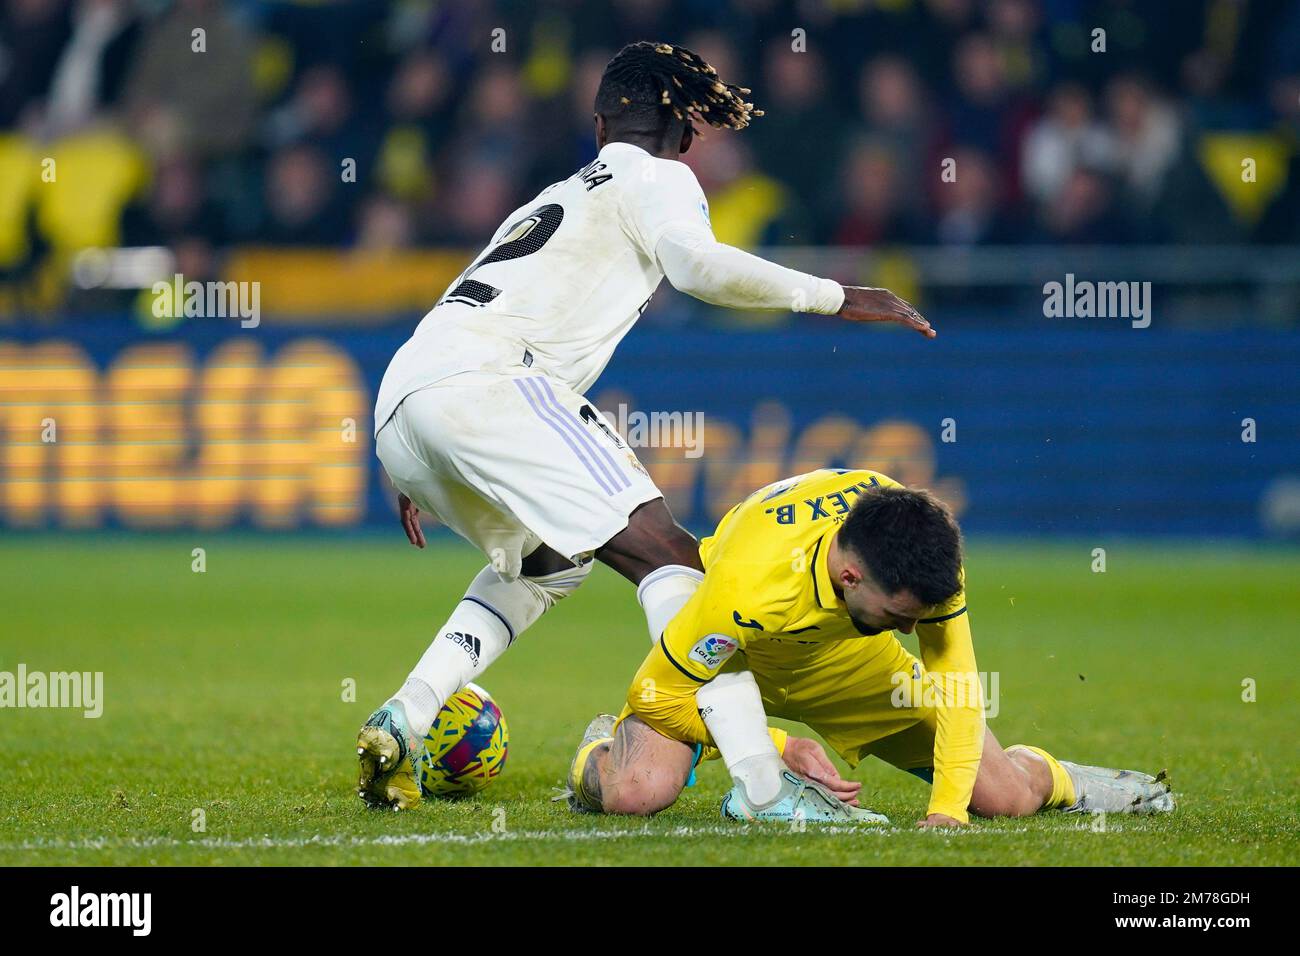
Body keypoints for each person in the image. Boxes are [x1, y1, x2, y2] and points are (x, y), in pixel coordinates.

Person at [357, 42, 934, 809]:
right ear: (686, 132)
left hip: (409, 399)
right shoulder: (660, 175)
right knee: (681, 567)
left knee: (550, 562)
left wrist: (426, 457)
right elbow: (695, 265)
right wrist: (836, 295)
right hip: (489, 383)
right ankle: (763, 786)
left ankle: (408, 714)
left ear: (599, 124)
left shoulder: (553, 195)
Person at [567, 469, 1175, 826]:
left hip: (849, 668)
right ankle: (597, 749)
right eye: (898, 617)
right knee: (635, 791)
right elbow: (655, 692)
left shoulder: (922, 554)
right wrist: (774, 745)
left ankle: (1066, 779)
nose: (912, 631)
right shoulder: (747, 586)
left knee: (1004, 798)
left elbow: (957, 684)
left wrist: (947, 812)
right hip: (737, 665)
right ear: (850, 577)